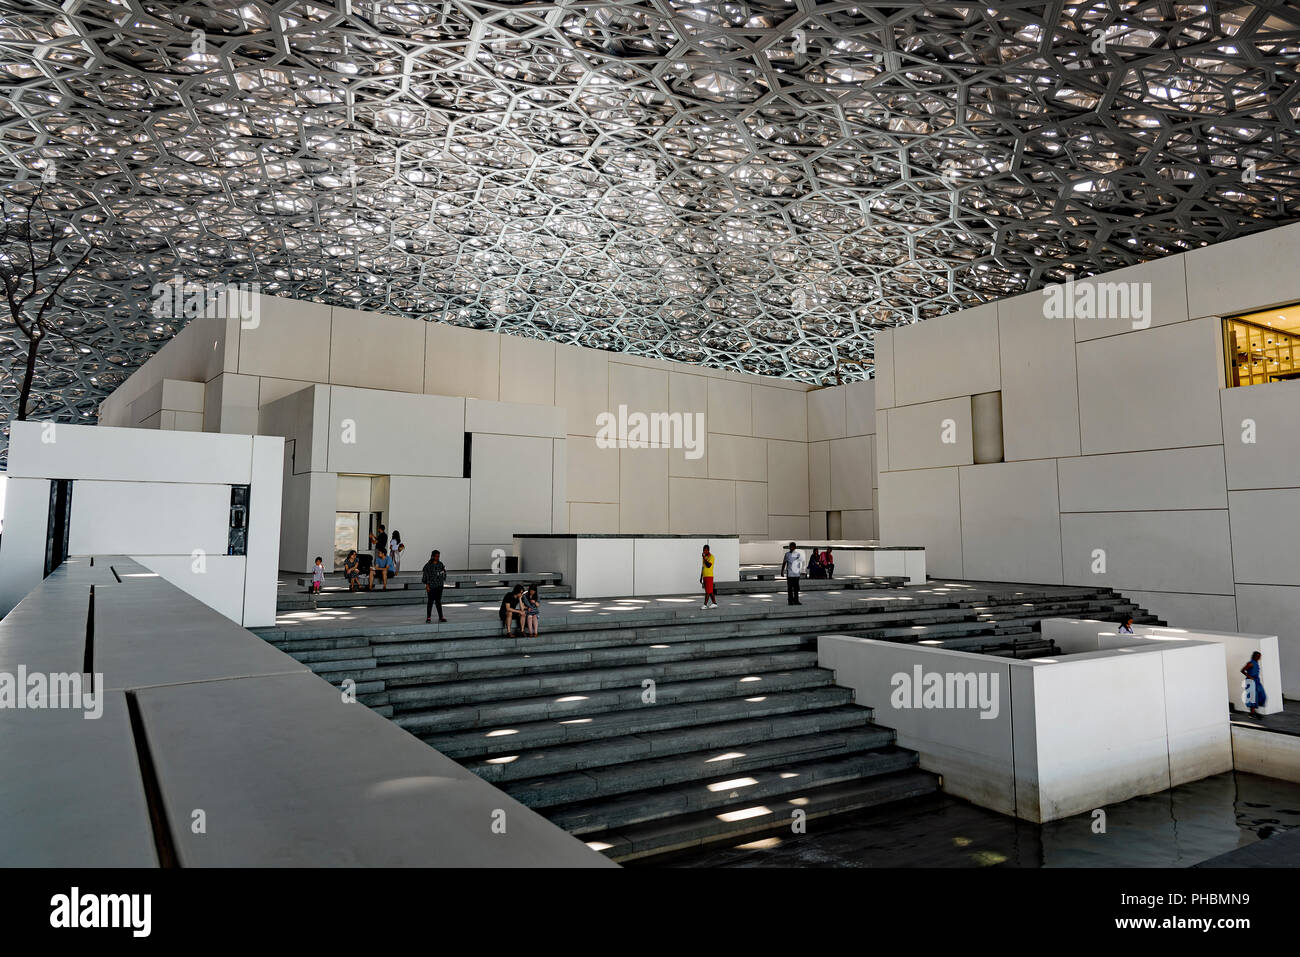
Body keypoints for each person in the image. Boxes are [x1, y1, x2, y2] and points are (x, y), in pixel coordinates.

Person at [422, 549, 447, 623]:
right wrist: (427, 585)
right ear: (432, 556)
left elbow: (444, 574)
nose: (437, 557)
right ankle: (428, 617)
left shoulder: (440, 564)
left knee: (438, 601)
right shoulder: (428, 565)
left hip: (439, 585)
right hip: (431, 586)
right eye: (436, 556)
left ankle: (441, 616)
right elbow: (425, 576)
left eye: (438, 556)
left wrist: (444, 573)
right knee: (430, 602)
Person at [1241, 651, 1268, 716]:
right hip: (1250, 681)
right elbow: (1242, 670)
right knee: (1252, 696)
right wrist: (1249, 676)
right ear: (1254, 656)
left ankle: (1253, 711)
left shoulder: (1256, 663)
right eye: (1258, 656)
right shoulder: (1250, 663)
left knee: (1262, 695)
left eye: (1260, 656)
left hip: (1256, 681)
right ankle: (1252, 713)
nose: (1259, 657)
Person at [700, 544, 718, 609]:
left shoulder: (711, 557)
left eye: (705, 550)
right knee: (710, 591)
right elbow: (703, 567)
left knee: (708, 591)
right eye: (703, 550)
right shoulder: (704, 558)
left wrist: (704, 558)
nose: (704, 551)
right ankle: (714, 603)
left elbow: (708, 565)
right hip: (705, 576)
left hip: (709, 576)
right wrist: (701, 576)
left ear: (708, 550)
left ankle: (705, 605)